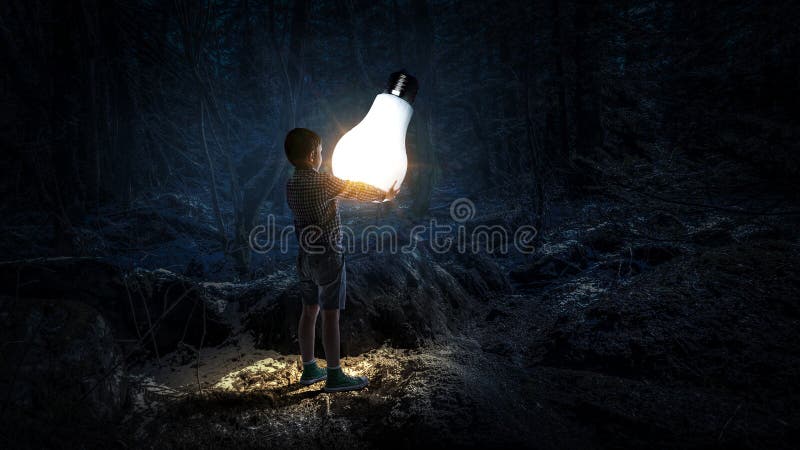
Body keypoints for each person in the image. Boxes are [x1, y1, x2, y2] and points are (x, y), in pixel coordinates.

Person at [284, 127, 400, 392]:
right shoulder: (323, 182)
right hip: (328, 256)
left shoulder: (291, 184)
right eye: (320, 151)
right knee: (330, 315)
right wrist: (384, 194)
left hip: (305, 257)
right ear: (313, 155)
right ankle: (335, 375)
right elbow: (355, 189)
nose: (322, 155)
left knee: (308, 311)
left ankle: (309, 368)